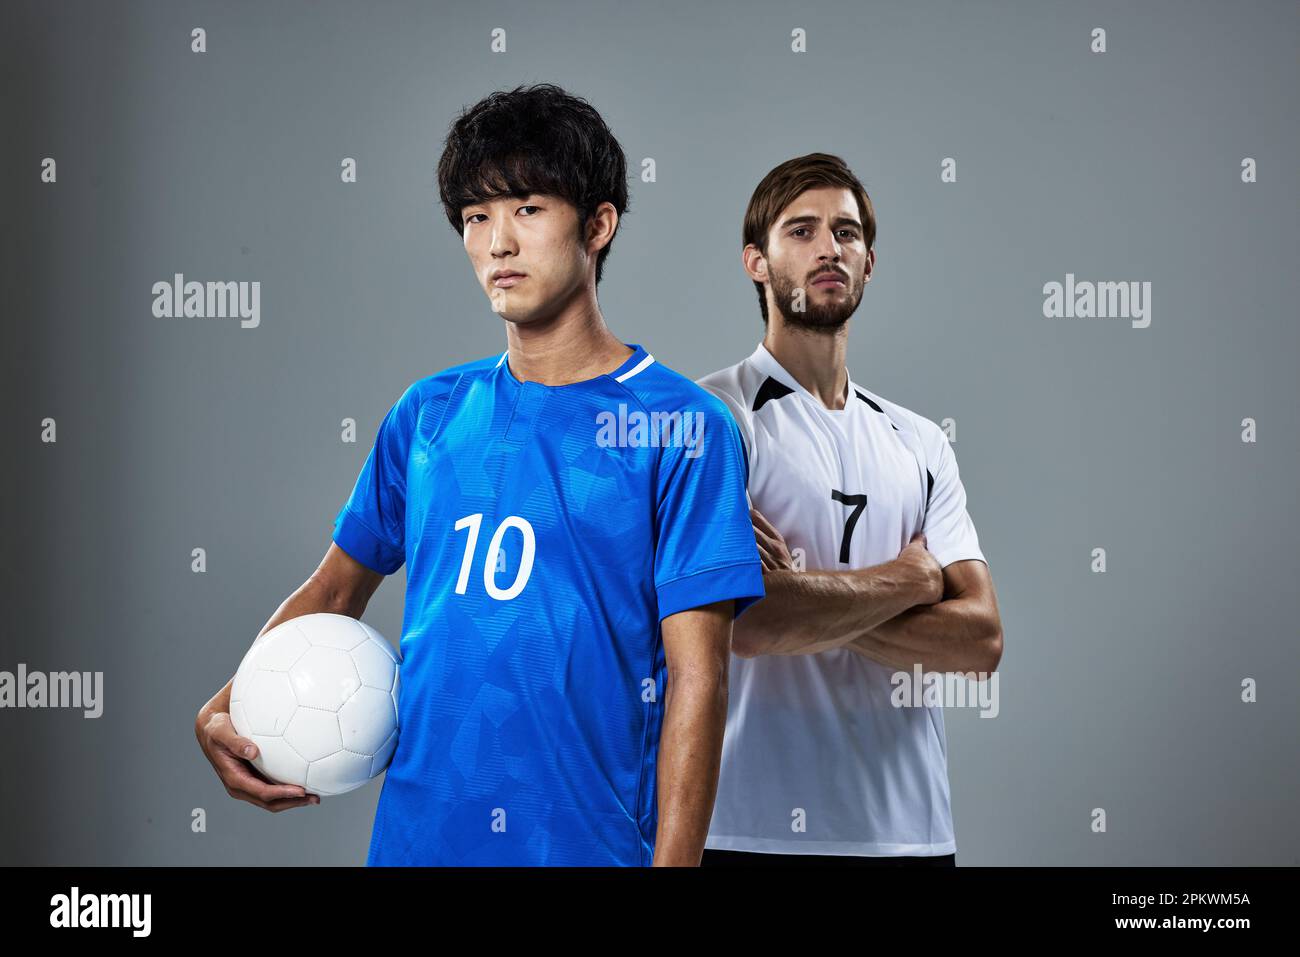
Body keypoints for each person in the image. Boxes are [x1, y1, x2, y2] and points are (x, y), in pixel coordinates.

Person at [196, 84, 764, 866]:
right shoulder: (429, 412)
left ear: (597, 225)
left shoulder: (683, 426)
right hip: (415, 844)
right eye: (475, 217)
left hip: (586, 848)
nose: (498, 242)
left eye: (527, 209)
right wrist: (233, 703)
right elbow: (333, 590)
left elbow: (700, 680)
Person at [697, 153, 1003, 866]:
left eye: (847, 232)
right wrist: (915, 580)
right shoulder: (714, 415)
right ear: (756, 261)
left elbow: (982, 641)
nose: (829, 247)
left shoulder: (920, 440)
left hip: (910, 835)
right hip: (746, 829)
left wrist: (807, 607)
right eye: (801, 230)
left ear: (870, 262)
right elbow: (748, 619)